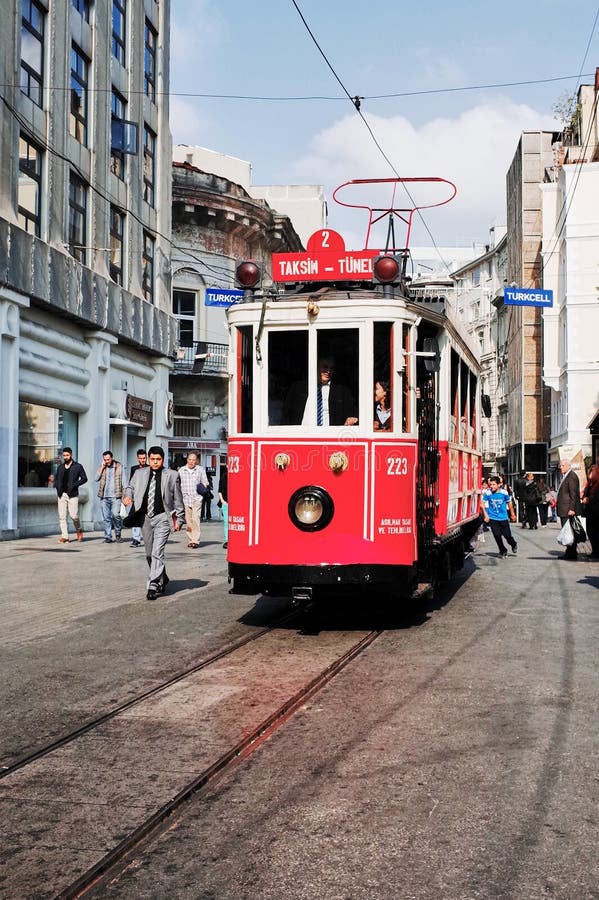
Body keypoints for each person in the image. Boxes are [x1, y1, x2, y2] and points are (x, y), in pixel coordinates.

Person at [122, 446, 185, 601]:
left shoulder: (172, 475)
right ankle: (163, 578)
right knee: (150, 554)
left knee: (157, 552)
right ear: (149, 459)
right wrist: (127, 496)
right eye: (153, 459)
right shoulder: (139, 473)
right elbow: (130, 487)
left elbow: (178, 499)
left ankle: (153, 585)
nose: (155, 462)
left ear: (163, 460)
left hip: (163, 517)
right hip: (145, 518)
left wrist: (180, 520)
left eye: (158, 459)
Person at [283, 357, 358, 426]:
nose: (328, 371)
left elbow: (353, 412)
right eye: (325, 367)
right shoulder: (298, 388)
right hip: (302, 436)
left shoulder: (341, 391)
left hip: (328, 436)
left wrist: (352, 418)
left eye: (331, 368)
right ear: (316, 367)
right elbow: (286, 415)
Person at [55, 447, 88, 543]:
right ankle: (65, 536)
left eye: (67, 455)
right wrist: (57, 487)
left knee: (74, 516)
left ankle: (79, 530)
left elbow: (84, 478)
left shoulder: (78, 466)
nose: (65, 457)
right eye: (64, 455)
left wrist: (74, 485)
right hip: (62, 495)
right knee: (62, 516)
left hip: (72, 495)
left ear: (71, 455)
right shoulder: (60, 467)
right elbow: (57, 479)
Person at [482, 475, 518, 558]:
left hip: (503, 518)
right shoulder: (488, 493)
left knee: (507, 536)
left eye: (494, 484)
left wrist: (512, 514)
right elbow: (482, 504)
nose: (491, 486)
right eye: (490, 484)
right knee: (497, 535)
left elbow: (509, 503)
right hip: (493, 518)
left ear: (499, 485)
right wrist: (486, 515)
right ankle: (502, 550)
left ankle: (513, 544)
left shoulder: (504, 493)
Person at [178, 450, 209, 549]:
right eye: (190, 460)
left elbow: (205, 482)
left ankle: (195, 540)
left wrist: (202, 488)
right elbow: (177, 484)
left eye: (194, 460)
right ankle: (191, 539)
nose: (191, 462)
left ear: (196, 461)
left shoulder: (200, 469)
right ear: (187, 460)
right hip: (186, 499)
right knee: (189, 520)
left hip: (197, 498)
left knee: (196, 519)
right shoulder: (181, 470)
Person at [95, 450, 124, 543]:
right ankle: (108, 536)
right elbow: (96, 478)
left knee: (116, 515)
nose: (107, 461)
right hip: (104, 497)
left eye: (108, 459)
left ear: (112, 458)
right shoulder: (103, 467)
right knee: (106, 517)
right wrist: (102, 467)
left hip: (116, 496)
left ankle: (118, 533)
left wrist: (126, 494)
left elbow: (124, 481)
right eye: (105, 459)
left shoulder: (119, 466)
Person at [556, 458, 582, 560]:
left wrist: (571, 508)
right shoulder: (566, 476)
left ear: (567, 466)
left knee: (569, 532)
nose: (560, 467)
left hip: (568, 509)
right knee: (567, 531)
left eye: (562, 466)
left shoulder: (571, 477)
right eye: (560, 466)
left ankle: (572, 553)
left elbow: (573, 494)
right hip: (564, 508)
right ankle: (569, 552)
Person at [129, 449, 147, 547]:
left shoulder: (150, 468)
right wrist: (130, 495)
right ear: (137, 458)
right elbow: (131, 483)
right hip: (137, 497)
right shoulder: (134, 469)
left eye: (144, 458)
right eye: (141, 458)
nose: (142, 460)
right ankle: (136, 539)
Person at [582, 463, 599, 558]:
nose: (590, 474)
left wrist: (589, 499)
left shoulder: (597, 484)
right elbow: (586, 493)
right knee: (591, 532)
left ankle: (597, 552)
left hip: (596, 513)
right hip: (590, 512)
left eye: (592, 472)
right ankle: (595, 550)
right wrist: (584, 496)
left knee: (595, 532)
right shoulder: (590, 483)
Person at [218, 461, 228, 549]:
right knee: (226, 522)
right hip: (226, 502)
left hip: (236, 504)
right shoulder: (224, 476)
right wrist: (222, 501)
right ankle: (227, 540)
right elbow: (220, 490)